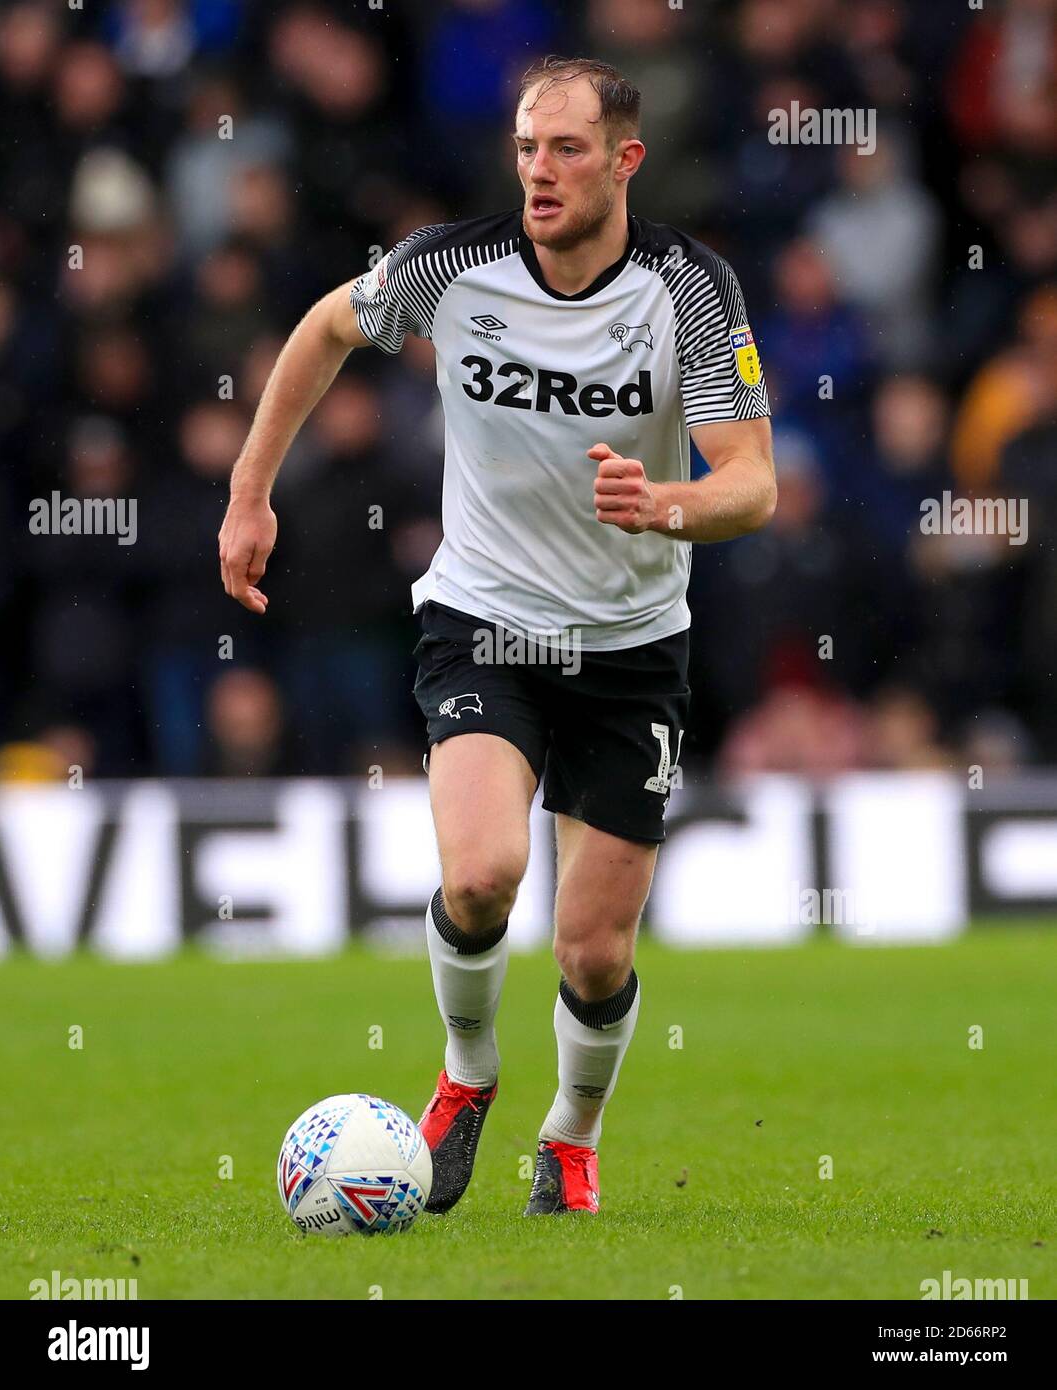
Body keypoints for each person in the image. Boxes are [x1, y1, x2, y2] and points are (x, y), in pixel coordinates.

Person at [219, 54, 775, 1218]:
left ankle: (571, 1136)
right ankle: (467, 1072)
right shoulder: (453, 266)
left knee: (594, 954)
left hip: (631, 647)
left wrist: (662, 501)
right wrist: (251, 488)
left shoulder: (693, 290)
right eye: (527, 147)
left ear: (625, 160)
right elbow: (326, 329)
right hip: (484, 619)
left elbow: (754, 485)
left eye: (567, 149)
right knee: (479, 876)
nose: (540, 171)